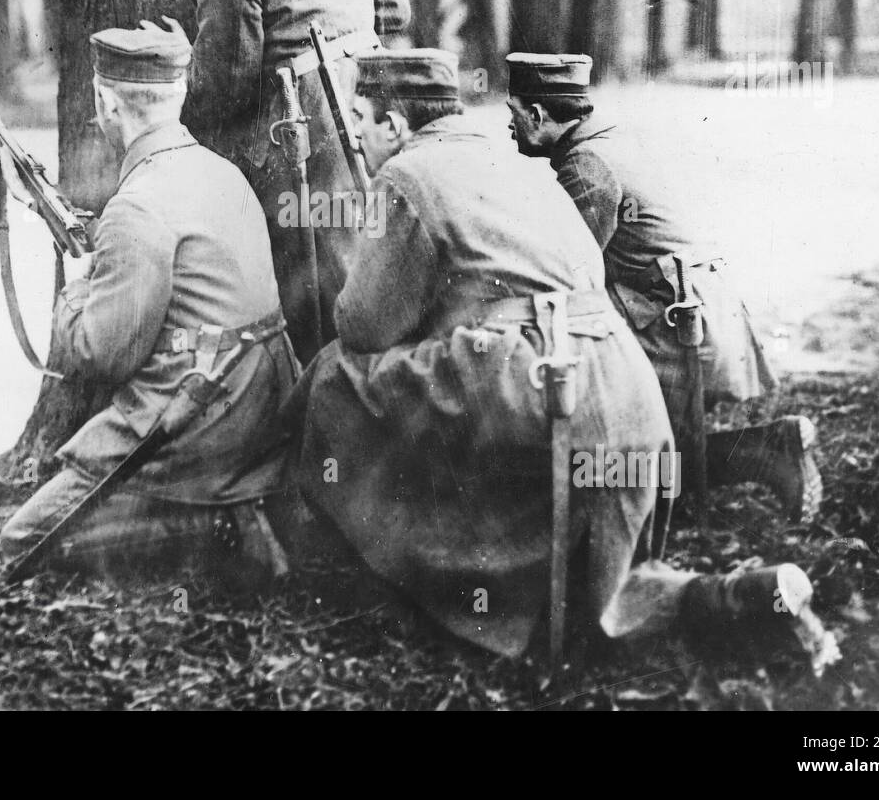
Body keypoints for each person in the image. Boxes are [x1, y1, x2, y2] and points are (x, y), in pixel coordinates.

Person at [282, 48, 820, 659]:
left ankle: (368, 568)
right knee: (598, 589)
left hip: (542, 387)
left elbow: (363, 326)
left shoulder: (404, 177)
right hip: (623, 387)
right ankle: (737, 597)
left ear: (396, 125)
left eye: (360, 117)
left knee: (338, 378)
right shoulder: (519, 163)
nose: (354, 132)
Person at [0, 23, 298, 583]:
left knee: (22, 543)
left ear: (106, 102)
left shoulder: (136, 206)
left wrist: (79, 279)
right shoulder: (222, 172)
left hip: (191, 425)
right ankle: (233, 514)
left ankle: (209, 533)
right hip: (263, 414)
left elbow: (97, 355)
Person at [504, 52, 822, 522]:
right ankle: (772, 447)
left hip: (676, 324)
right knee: (655, 460)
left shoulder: (587, 166)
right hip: (689, 311)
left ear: (536, 115)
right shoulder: (603, 144)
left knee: (647, 468)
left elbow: (566, 273)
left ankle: (771, 449)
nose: (509, 128)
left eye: (513, 115)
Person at [146, 0, 412, 362]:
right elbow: (395, 9)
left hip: (301, 144)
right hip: (373, 123)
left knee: (314, 304)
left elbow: (224, 95)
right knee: (376, 279)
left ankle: (319, 430)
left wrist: (184, 65)